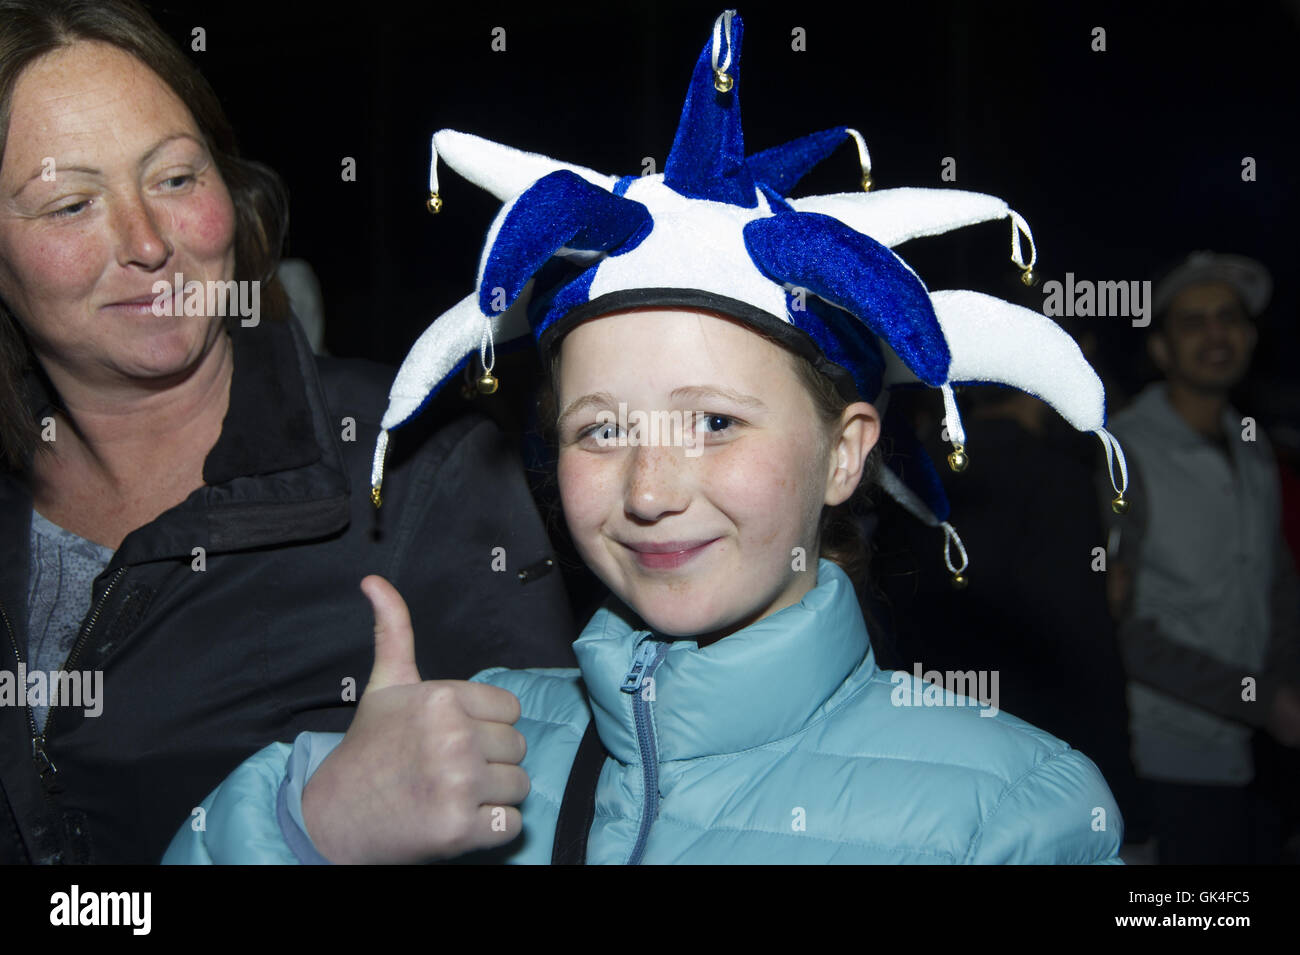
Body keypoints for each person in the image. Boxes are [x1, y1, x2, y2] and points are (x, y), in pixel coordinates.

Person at [165, 10, 1127, 864]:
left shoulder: (1010, 817)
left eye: (714, 422)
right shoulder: (472, 743)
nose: (649, 490)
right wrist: (314, 828)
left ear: (846, 451)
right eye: (602, 428)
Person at [0, 0, 575, 864]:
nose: (148, 242)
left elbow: (559, 814)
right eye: (71, 204)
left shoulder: (422, 468)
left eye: (175, 178)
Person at [1098, 251, 1300, 864]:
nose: (1217, 334)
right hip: (1162, 756)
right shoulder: (1124, 453)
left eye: (1230, 318)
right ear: (1160, 348)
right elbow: (1117, 627)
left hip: (1250, 757)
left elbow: (1276, 587)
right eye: (1193, 322)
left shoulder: (1253, 446)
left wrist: (1283, 690)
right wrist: (1265, 701)